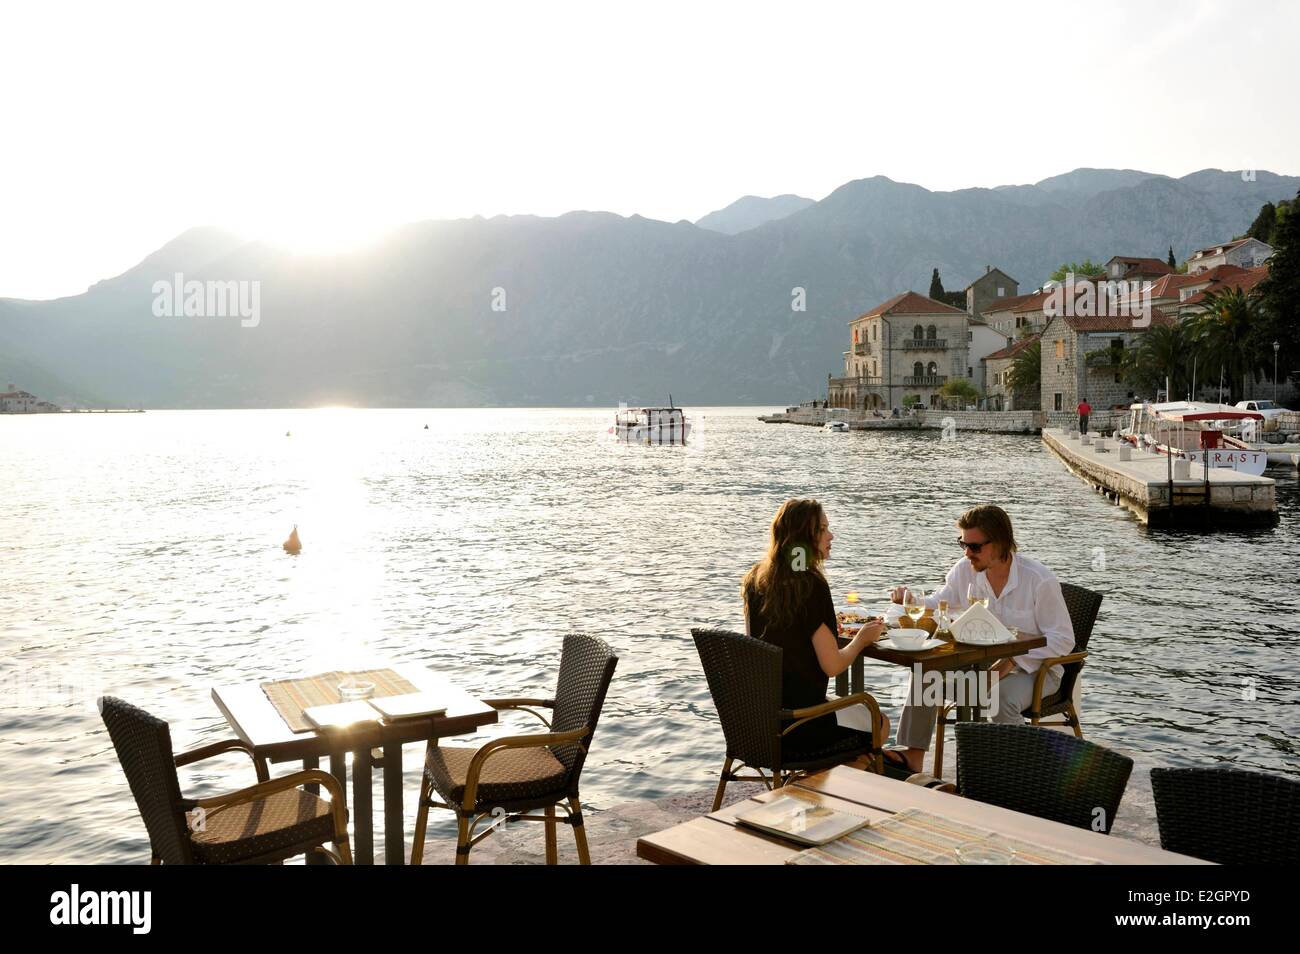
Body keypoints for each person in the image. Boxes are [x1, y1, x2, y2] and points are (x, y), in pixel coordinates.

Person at [886, 505, 1074, 775]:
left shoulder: (1039, 580)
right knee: (925, 672)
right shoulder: (966, 570)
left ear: (1000, 543)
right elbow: (942, 602)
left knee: (999, 697)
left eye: (974, 547)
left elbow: (1063, 639)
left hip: (1037, 670)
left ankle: (1022, 777)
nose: (966, 553)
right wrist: (911, 600)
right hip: (980, 665)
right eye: (962, 544)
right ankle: (913, 757)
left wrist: (1010, 659)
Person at [742, 499, 888, 756]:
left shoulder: (755, 580)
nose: (831, 535)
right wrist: (862, 639)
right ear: (803, 537)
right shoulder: (811, 586)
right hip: (800, 726)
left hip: (759, 722)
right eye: (822, 529)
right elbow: (832, 666)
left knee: (846, 710)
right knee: (879, 722)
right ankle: (832, 787)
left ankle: (820, 783)